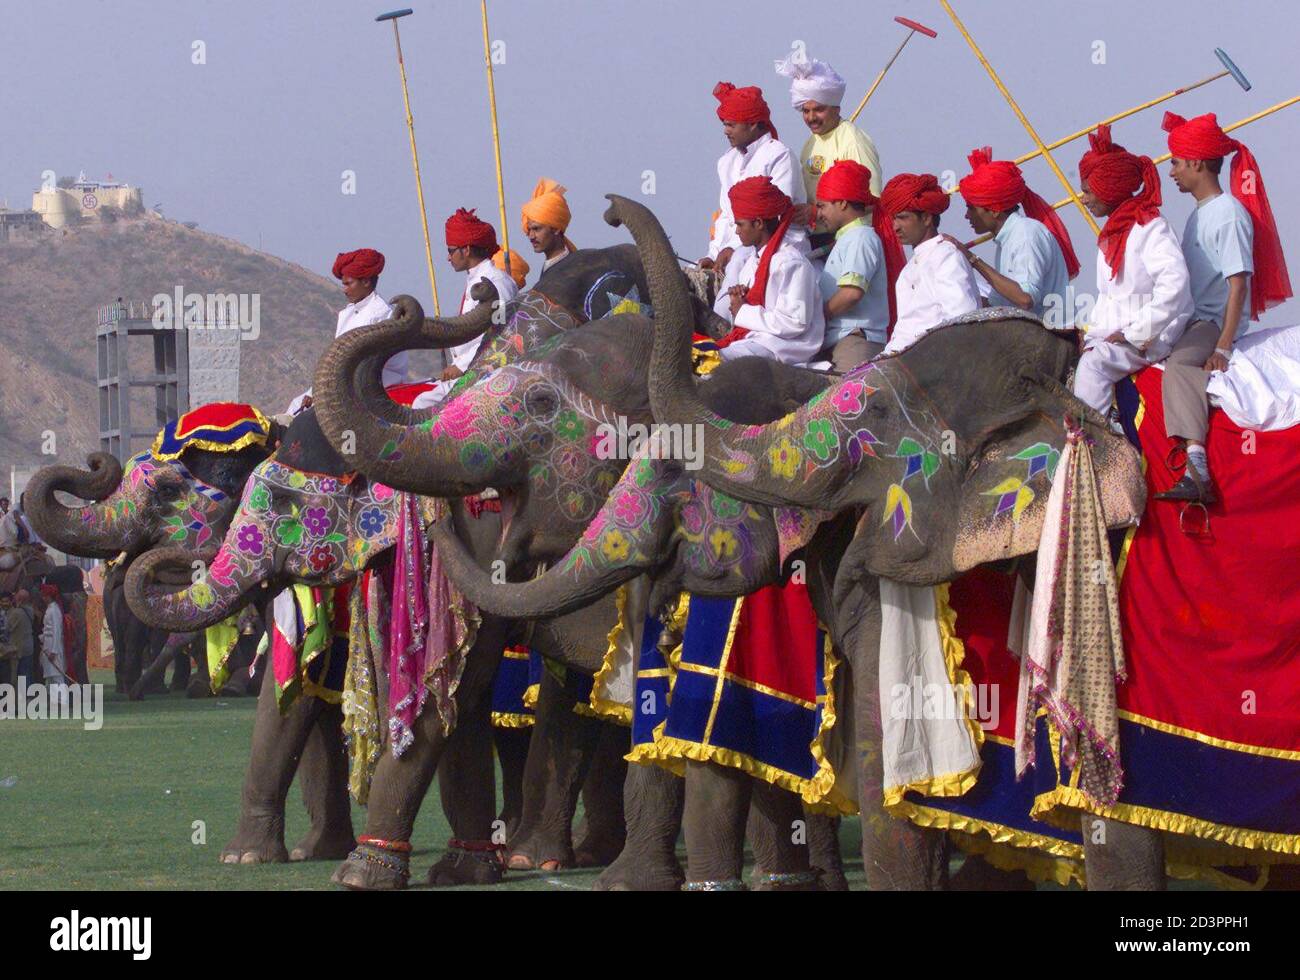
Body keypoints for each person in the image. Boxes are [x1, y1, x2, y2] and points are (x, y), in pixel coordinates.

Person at [1155, 112, 1293, 503]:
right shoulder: (1198, 216)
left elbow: (1238, 284)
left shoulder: (1228, 213)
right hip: (1191, 318)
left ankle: (1197, 465)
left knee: (1179, 366)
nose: (1172, 172)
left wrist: (1222, 346)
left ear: (1197, 163)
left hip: (1211, 323)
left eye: (1177, 163)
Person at [1071, 125, 1193, 422]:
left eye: (1088, 191)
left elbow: (1175, 285)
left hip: (1153, 335)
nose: (1083, 199)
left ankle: (1095, 450)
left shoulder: (1150, 227)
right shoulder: (1113, 232)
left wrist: (1134, 334)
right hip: (1119, 331)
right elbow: (1109, 297)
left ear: (1108, 189)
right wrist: (1091, 333)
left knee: (1092, 367)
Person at [947, 147, 1081, 323]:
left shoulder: (1026, 234)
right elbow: (998, 305)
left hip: (1055, 338)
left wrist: (972, 260)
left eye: (971, 208)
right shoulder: (1007, 240)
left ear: (994, 211)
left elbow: (1025, 299)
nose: (967, 216)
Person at [700, 81, 806, 283]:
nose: (725, 131)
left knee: (739, 264)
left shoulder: (779, 156)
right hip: (733, 250)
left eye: (731, 124)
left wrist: (734, 249)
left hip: (778, 245)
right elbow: (726, 216)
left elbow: (770, 217)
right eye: (724, 124)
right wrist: (714, 254)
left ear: (753, 124)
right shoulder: (727, 161)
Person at [775, 53, 884, 248]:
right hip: (813, 241)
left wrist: (816, 212)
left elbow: (872, 201)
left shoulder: (853, 141)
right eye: (805, 111)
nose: (811, 117)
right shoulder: (810, 143)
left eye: (818, 110)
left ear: (836, 108)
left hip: (846, 242)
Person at [715, 175, 824, 367]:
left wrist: (743, 310)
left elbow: (795, 322)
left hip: (783, 347)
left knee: (714, 362)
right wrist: (741, 299)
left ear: (758, 223)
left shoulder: (791, 263)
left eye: (740, 224)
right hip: (756, 340)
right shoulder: (751, 263)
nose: (737, 231)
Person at [287, 248, 401, 415]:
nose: (344, 290)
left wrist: (325, 395)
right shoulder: (348, 313)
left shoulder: (381, 314)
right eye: (343, 284)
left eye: (348, 284)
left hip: (374, 385)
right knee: (294, 407)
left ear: (366, 282)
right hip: (344, 383)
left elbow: (365, 366)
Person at [814, 159, 903, 370]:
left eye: (822, 206)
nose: (818, 214)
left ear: (843, 203)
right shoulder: (848, 239)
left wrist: (815, 318)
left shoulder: (861, 238)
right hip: (843, 340)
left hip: (855, 342)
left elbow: (851, 294)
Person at [880, 173, 981, 355]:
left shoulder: (945, 255)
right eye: (893, 219)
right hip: (900, 360)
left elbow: (962, 320)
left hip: (930, 364)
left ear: (926, 218)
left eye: (902, 218)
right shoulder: (911, 267)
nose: (895, 226)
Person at [441, 207, 526, 382]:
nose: (448, 258)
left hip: (488, 376)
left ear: (466, 250)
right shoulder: (474, 279)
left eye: (451, 250)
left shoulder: (496, 282)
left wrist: (461, 366)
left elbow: (501, 333)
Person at [521, 178, 576, 275]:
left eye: (536, 229)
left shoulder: (571, 269)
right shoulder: (550, 266)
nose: (531, 236)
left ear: (556, 229)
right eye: (529, 230)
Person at [38, 584, 69, 706]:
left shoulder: (54, 610)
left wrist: (54, 650)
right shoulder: (50, 609)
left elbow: (56, 631)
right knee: (50, 676)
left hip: (53, 646)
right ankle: (55, 700)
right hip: (47, 644)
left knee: (57, 675)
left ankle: (63, 700)